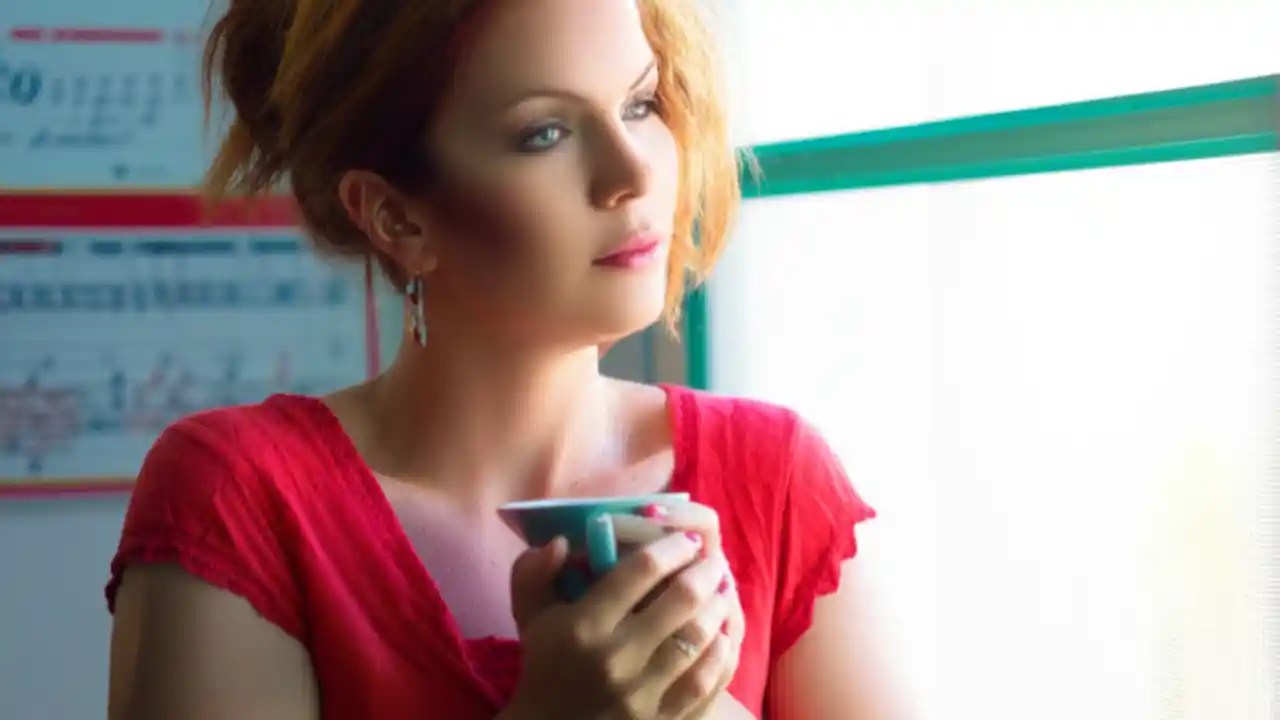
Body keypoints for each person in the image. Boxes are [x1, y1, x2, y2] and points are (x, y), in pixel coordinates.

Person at [105, 0, 911, 718]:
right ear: (394, 217)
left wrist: (697, 706)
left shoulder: (777, 478)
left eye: (640, 104)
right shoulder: (240, 497)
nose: (632, 173)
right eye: (545, 134)